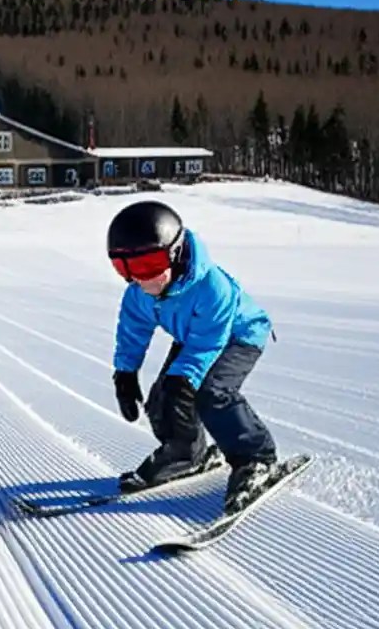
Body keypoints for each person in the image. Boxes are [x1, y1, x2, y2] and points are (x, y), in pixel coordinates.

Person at [107, 199, 278, 513]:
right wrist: (125, 372)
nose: (140, 279)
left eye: (148, 265)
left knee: (210, 392)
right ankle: (185, 453)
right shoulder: (140, 291)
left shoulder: (213, 288)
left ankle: (256, 459)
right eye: (125, 268)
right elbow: (133, 329)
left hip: (239, 336)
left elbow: (209, 342)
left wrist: (185, 379)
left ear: (175, 252)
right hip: (195, 336)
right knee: (162, 397)